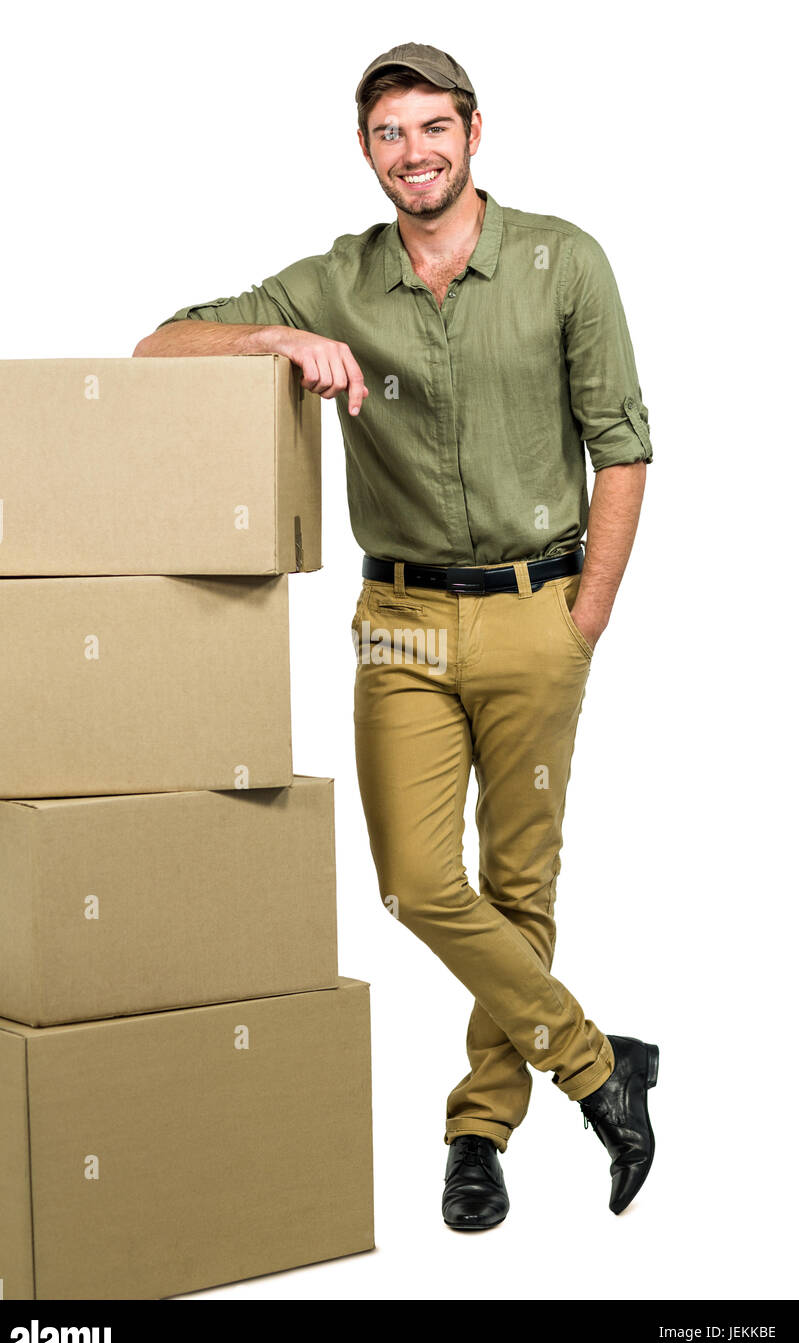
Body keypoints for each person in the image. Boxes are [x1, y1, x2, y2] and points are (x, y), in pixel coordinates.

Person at [135, 41, 660, 1227]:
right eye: (388, 133)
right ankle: (595, 1065)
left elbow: (620, 445)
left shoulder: (559, 259)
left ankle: (477, 1128)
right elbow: (157, 346)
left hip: (538, 609)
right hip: (403, 623)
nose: (412, 153)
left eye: (433, 128)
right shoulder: (338, 279)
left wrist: (581, 622)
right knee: (420, 882)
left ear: (475, 134)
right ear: (364, 150)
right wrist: (275, 342)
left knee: (517, 882)